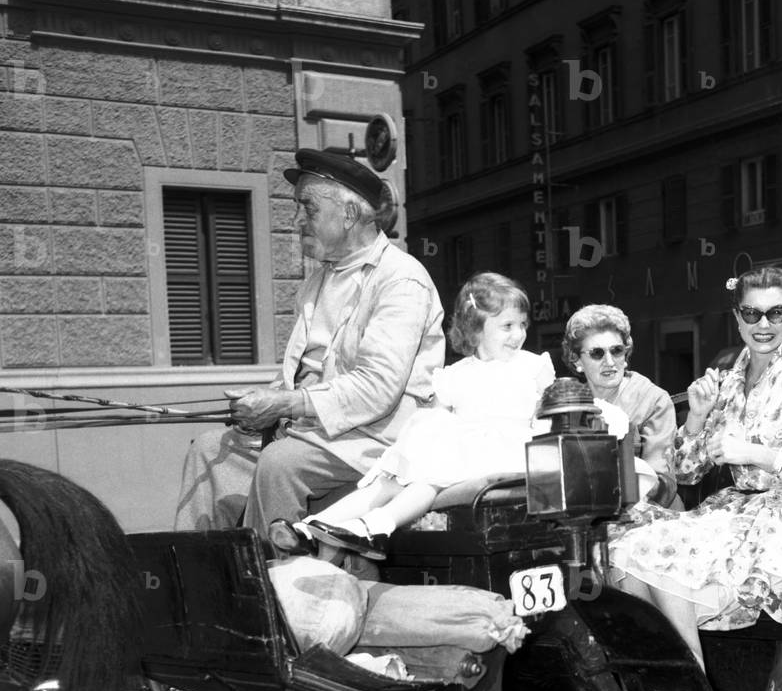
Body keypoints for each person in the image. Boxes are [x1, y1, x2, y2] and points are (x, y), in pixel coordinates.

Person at [174, 147, 445, 535]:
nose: (296, 220)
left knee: (280, 463)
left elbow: (378, 388)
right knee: (207, 448)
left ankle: (268, 580)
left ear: (349, 214)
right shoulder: (317, 282)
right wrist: (262, 403)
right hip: (312, 433)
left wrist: (283, 403)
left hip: (373, 441)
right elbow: (305, 376)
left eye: (309, 208)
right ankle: (199, 578)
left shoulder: (401, 280)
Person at [608, 265, 782, 669]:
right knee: (623, 550)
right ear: (737, 317)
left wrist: (755, 453)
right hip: (733, 514)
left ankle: (693, 683)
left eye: (775, 313)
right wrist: (698, 419)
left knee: (664, 564)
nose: (763, 324)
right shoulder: (726, 383)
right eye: (752, 313)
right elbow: (685, 475)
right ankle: (668, 676)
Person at [271, 272, 557, 559]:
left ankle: (376, 526)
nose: (518, 334)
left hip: (510, 455)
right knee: (391, 480)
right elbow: (433, 423)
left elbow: (547, 420)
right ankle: (310, 528)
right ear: (476, 328)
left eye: (522, 324)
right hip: (467, 453)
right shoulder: (455, 375)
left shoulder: (532, 367)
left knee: (427, 481)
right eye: (507, 326)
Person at [562, 304, 678, 505]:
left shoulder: (653, 400)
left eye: (616, 351)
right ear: (576, 359)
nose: (609, 361)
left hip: (647, 516)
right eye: (597, 353)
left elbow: (663, 485)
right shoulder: (570, 404)